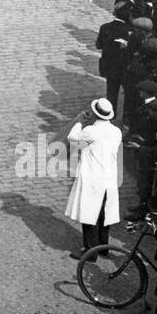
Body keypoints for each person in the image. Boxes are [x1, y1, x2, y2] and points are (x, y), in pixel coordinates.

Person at [64, 98, 123, 257]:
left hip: (92, 177)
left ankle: (90, 251)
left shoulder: (91, 131)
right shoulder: (116, 131)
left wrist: (80, 121)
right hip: (109, 177)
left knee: (89, 214)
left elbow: (72, 137)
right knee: (104, 214)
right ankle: (103, 247)